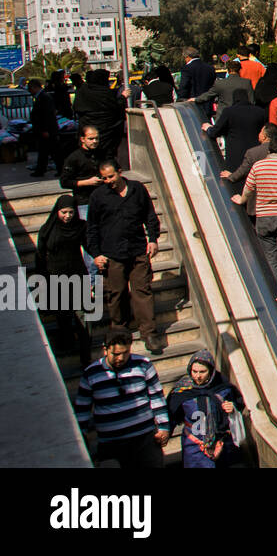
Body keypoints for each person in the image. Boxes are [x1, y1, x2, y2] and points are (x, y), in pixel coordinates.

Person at [88, 158, 165, 354]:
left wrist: (153, 238)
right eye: (104, 178)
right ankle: (119, 328)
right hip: (112, 253)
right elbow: (92, 228)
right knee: (116, 292)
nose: (108, 181)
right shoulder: (98, 196)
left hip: (137, 249)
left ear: (120, 172)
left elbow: (149, 215)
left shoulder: (137, 189)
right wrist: (96, 254)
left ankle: (148, 332)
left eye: (111, 176)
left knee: (142, 290)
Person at [74, 326, 170, 468]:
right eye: (116, 354)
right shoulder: (91, 374)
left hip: (145, 440)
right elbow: (82, 409)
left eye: (125, 353)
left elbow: (157, 397)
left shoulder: (143, 365)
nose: (121, 358)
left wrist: (164, 426)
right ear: (105, 349)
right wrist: (81, 437)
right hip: (111, 444)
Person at [231, 137, 277, 297]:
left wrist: (241, 199)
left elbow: (248, 189)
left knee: (270, 258)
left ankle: (274, 294)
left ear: (269, 150)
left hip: (263, 217)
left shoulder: (258, 166)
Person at [34, 195, 93, 367]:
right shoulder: (47, 230)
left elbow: (89, 246)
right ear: (57, 211)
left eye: (71, 212)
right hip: (55, 277)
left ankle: (85, 353)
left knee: (84, 316)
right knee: (63, 315)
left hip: (77, 274)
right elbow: (40, 257)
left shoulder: (81, 227)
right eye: (64, 212)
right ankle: (67, 342)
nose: (67, 216)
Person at [166, 348, 246, 468]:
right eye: (194, 371)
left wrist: (232, 408)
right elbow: (171, 414)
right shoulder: (182, 390)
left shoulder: (223, 388)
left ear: (211, 371)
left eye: (202, 372)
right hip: (193, 444)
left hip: (222, 443)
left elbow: (237, 404)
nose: (197, 376)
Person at [204, 88, 268, 171]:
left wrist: (208, 128)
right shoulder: (260, 112)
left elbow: (215, 132)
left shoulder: (229, 112)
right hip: (255, 153)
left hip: (235, 155)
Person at [74, 69, 127, 166]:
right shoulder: (105, 93)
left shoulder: (83, 91)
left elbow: (77, 108)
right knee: (106, 156)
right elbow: (115, 107)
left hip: (88, 128)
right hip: (106, 132)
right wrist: (123, 97)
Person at [60, 124, 105, 220]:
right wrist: (87, 182)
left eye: (97, 138)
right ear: (82, 139)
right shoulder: (74, 158)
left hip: (103, 197)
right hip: (84, 200)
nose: (95, 141)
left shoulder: (101, 154)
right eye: (91, 139)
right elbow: (64, 182)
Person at [27, 78, 64, 177]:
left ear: (35, 87)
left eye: (30, 89)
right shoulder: (42, 97)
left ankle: (56, 169)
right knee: (46, 151)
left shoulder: (44, 98)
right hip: (45, 129)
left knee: (52, 151)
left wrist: (45, 129)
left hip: (47, 130)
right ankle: (42, 169)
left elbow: (47, 115)